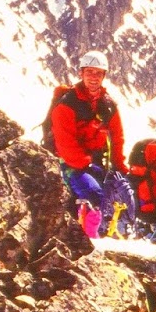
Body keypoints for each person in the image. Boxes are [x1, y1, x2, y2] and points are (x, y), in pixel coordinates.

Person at [49, 50, 127, 237]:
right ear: (81, 73)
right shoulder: (67, 105)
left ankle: (95, 233)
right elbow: (65, 143)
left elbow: (117, 137)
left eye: (98, 73)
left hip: (95, 164)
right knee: (93, 193)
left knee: (118, 195)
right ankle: (89, 239)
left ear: (104, 76)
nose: (94, 77)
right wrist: (86, 163)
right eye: (89, 72)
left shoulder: (108, 105)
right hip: (70, 164)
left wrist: (120, 166)